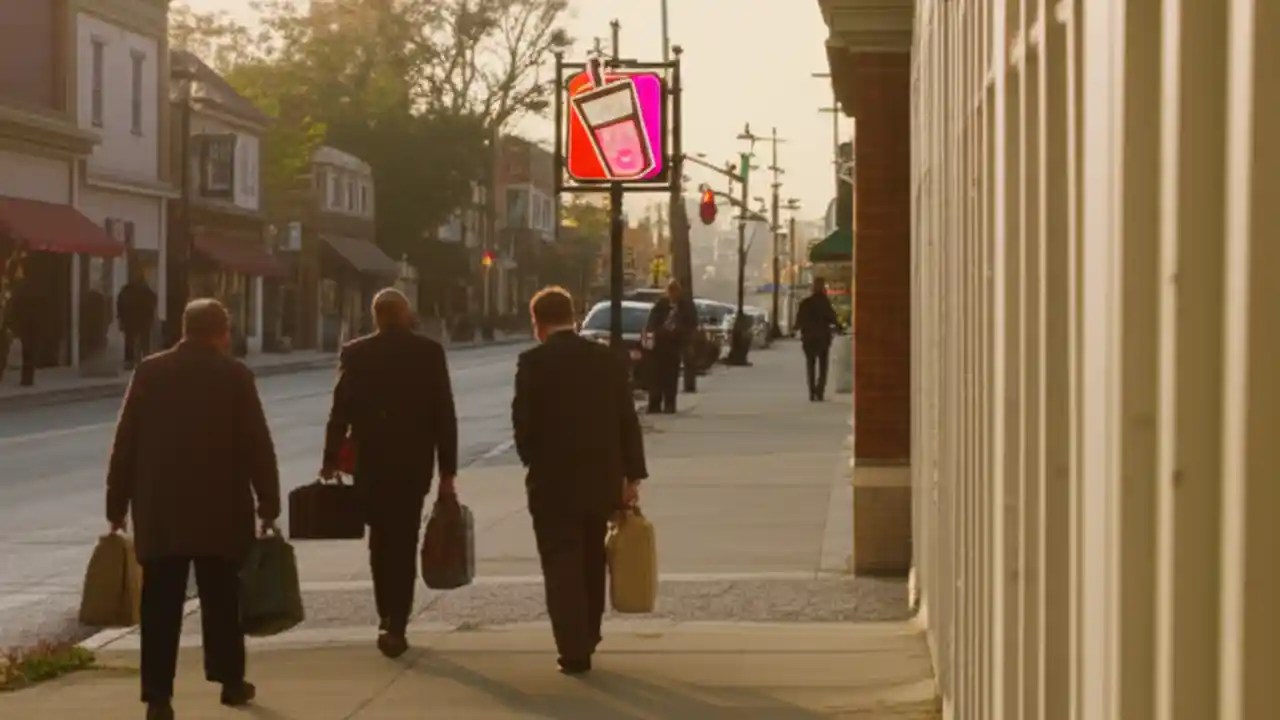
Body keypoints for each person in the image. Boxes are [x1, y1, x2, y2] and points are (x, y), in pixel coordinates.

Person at [105, 299, 280, 720]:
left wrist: (116, 504)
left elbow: (125, 442)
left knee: (160, 605)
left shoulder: (150, 371)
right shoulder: (235, 376)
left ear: (184, 330)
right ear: (223, 332)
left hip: (161, 510)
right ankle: (230, 681)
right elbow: (258, 442)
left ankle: (158, 697)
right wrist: (268, 502)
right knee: (222, 599)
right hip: (221, 509)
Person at [513, 287, 648, 675]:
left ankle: (572, 647)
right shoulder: (605, 360)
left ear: (538, 323)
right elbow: (627, 418)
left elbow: (523, 424)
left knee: (560, 563)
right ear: (574, 316)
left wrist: (533, 462)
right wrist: (631, 475)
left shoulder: (533, 363)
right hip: (600, 478)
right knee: (592, 558)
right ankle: (589, 631)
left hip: (552, 481)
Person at [321, 288, 458, 659]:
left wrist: (330, 458)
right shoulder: (429, 353)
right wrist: (448, 469)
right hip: (414, 464)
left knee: (380, 542)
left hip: (371, 462)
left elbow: (340, 409)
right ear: (406, 313)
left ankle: (386, 616)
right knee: (405, 537)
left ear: (376, 316)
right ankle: (398, 620)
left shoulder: (356, 353)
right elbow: (444, 414)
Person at [643, 280, 697, 414]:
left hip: (674, 346)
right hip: (659, 346)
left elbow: (691, 324)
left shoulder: (686, 307)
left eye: (675, 291)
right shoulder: (661, 305)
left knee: (671, 376)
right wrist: (656, 333)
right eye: (670, 291)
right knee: (656, 376)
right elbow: (651, 323)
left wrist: (681, 334)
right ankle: (654, 404)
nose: (673, 294)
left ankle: (669, 404)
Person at [795, 277, 842, 401]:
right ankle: (819, 391)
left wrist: (796, 329)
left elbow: (799, 320)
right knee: (823, 365)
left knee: (810, 365)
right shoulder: (825, 303)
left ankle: (811, 391)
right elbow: (832, 318)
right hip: (823, 338)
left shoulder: (805, 303)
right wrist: (839, 329)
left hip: (808, 338)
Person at [6, 277, 41, 387]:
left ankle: (26, 379)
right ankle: (28, 378)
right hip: (32, 325)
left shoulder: (19, 295)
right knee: (30, 352)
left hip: (24, 325)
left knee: (26, 351)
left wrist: (13, 324)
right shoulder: (35, 295)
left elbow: (13, 309)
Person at [118, 274, 158, 368]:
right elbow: (153, 301)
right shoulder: (146, 290)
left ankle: (130, 360)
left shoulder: (126, 290)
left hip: (130, 319)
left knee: (130, 340)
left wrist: (121, 318)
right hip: (143, 319)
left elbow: (120, 305)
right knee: (144, 340)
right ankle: (145, 358)